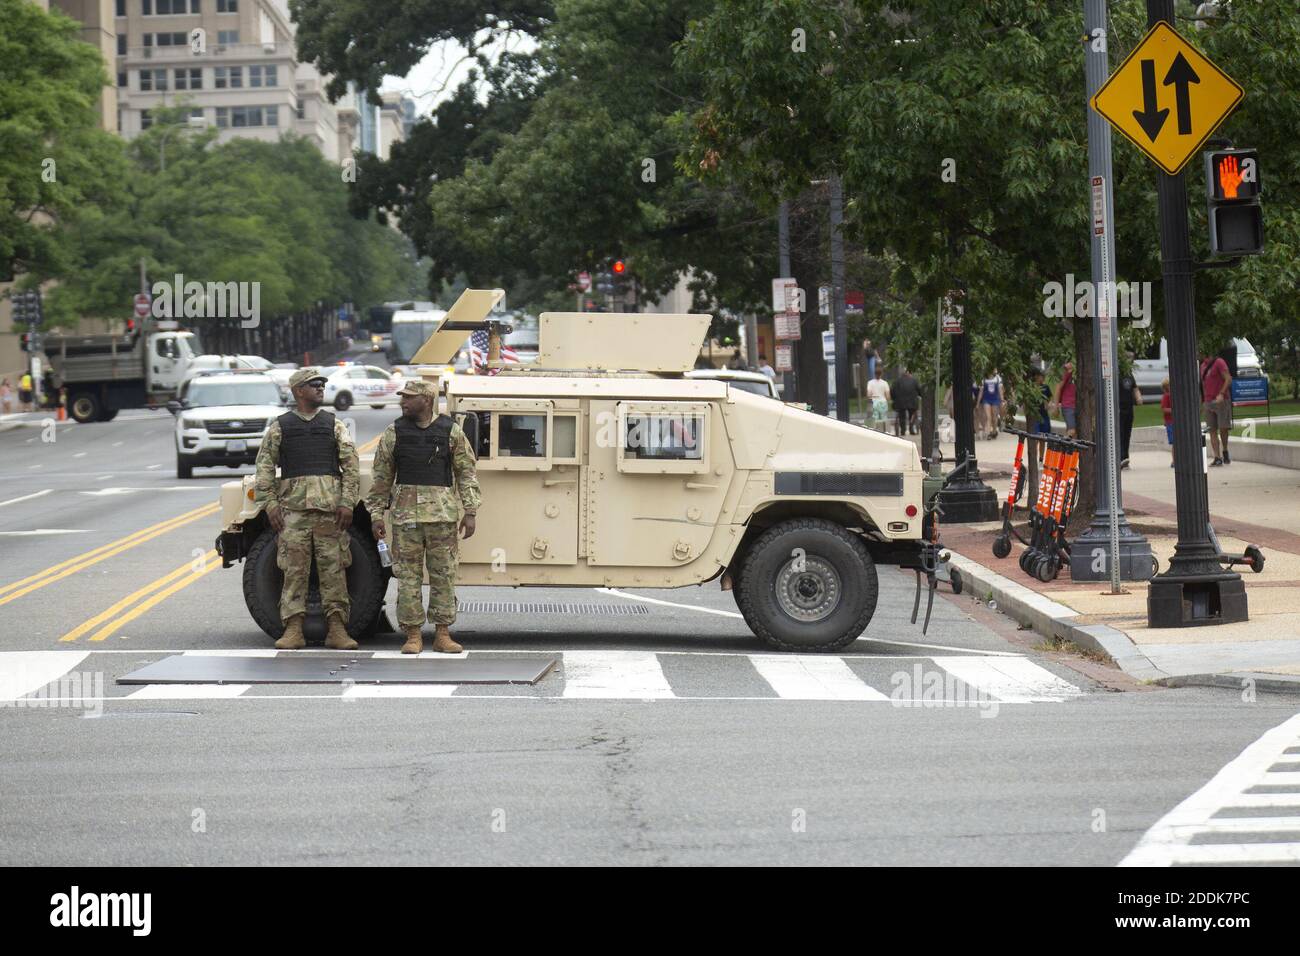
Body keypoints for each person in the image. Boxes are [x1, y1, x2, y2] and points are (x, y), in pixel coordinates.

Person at [365, 379, 481, 654]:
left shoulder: (450, 431)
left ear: (426, 400)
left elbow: (466, 471)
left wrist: (471, 510)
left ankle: (442, 633)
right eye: (402, 397)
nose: (403, 402)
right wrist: (375, 514)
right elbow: (382, 477)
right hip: (406, 519)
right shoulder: (394, 432)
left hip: (442, 517)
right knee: (408, 577)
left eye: (409, 398)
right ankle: (413, 634)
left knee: (444, 576)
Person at [253, 367, 361, 651]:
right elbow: (264, 468)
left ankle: (337, 629)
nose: (319, 388)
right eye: (313, 385)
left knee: (334, 569)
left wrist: (347, 502)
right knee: (294, 570)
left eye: (321, 384)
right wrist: (270, 504)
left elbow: (351, 466)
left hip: (329, 513)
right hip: (293, 513)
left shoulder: (334, 424)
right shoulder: (281, 427)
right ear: (298, 391)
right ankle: (293, 629)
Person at [1200, 348, 1232, 466]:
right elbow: (1203, 384)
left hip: (1221, 400)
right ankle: (1217, 457)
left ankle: (1225, 450)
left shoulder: (1219, 362)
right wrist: (1203, 401)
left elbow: (1228, 379)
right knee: (1212, 430)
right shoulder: (1202, 366)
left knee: (1223, 428)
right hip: (1208, 401)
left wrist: (1222, 394)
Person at [1118, 358, 1142, 468]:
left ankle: (1125, 458)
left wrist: (1138, 397)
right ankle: (1120, 457)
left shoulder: (1129, 374)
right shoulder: (1116, 373)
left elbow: (1134, 388)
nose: (1131, 363)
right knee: (1120, 433)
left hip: (1129, 407)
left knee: (1127, 433)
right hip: (1119, 408)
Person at [892, 367, 920, 436]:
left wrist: (894, 399)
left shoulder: (897, 381)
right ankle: (911, 428)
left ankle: (903, 430)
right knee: (912, 414)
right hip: (912, 402)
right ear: (908, 373)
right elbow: (919, 390)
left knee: (902, 417)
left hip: (900, 403)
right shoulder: (914, 381)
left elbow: (892, 391)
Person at [1052, 360, 1077, 438]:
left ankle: (1071, 449)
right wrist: (1056, 407)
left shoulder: (1079, 372)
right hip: (1068, 405)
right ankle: (1064, 448)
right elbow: (1058, 388)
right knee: (1071, 431)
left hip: (1078, 405)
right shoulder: (1067, 371)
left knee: (1077, 432)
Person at [979, 370, 1003, 439]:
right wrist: (978, 403)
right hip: (986, 400)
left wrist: (1002, 400)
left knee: (994, 417)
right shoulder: (983, 379)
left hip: (995, 400)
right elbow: (981, 391)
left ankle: (994, 431)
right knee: (988, 417)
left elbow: (1000, 390)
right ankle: (988, 433)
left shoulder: (997, 378)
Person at [866, 365, 891, 432]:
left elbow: (868, 394)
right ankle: (885, 432)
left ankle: (875, 432)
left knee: (874, 419)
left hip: (874, 402)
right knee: (884, 419)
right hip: (883, 402)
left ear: (874, 373)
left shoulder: (870, 383)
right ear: (881, 374)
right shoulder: (885, 383)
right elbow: (888, 396)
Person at [1160, 377, 1174, 468]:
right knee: (1175, 443)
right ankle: (1174, 460)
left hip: (1173, 422)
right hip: (1170, 422)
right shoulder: (1166, 396)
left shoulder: (1172, 395)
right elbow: (1164, 409)